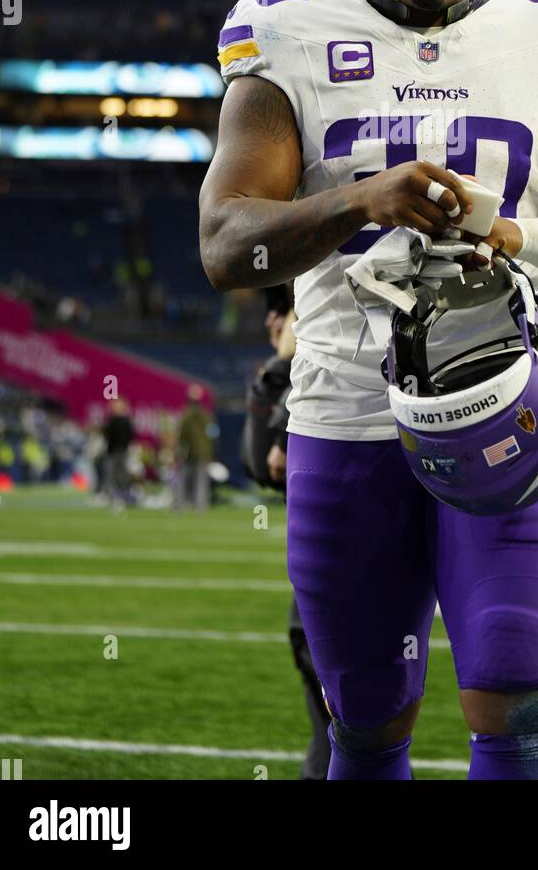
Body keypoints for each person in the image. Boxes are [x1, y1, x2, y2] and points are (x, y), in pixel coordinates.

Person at [199, 0, 538, 781]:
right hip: (345, 415)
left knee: (516, 690)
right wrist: (358, 201)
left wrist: (513, 237)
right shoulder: (286, 31)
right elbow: (225, 243)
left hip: (509, 414)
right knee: (366, 725)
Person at [242, 293, 331, 781]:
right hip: (333, 568)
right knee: (353, 732)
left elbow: (265, 464)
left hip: (341, 564)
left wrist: (284, 363)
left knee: (355, 731)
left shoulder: (338, 361)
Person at [103, 400, 134, 510]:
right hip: (121, 451)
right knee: (119, 475)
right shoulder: (126, 421)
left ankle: (117, 496)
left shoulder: (116, 421)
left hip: (115, 451)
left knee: (114, 475)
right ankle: (121, 496)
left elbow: (108, 435)